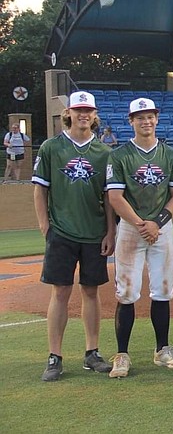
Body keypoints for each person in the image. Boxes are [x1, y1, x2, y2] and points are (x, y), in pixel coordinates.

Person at [33, 91, 117, 381]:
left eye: (89, 110)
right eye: (79, 110)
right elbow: (40, 189)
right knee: (60, 291)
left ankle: (91, 352)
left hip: (94, 233)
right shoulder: (51, 147)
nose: (84, 115)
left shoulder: (104, 153)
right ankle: (54, 356)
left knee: (92, 291)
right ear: (68, 113)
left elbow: (109, 198)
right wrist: (46, 227)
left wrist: (111, 230)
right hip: (62, 231)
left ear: (94, 115)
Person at [106, 97, 173, 378]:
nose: (146, 121)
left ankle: (162, 349)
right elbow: (115, 197)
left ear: (156, 118)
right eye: (140, 117)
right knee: (126, 292)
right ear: (131, 121)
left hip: (161, 227)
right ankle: (122, 354)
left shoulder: (170, 154)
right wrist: (142, 224)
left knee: (163, 290)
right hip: (132, 228)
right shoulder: (119, 155)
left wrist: (157, 222)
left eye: (150, 116)